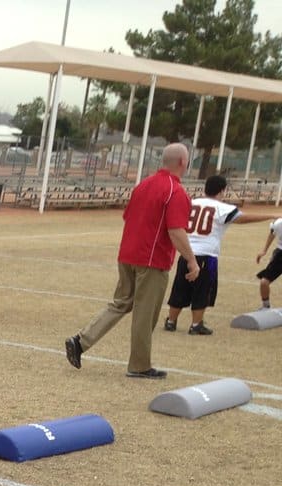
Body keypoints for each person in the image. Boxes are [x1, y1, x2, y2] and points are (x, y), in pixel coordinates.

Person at [66, 143, 198, 379]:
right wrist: (191, 260)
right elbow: (176, 230)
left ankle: (81, 341)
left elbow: (130, 217)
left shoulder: (143, 185)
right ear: (183, 163)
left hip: (128, 254)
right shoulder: (175, 192)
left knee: (121, 303)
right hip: (152, 259)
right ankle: (139, 365)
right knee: (145, 313)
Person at [164, 175, 273, 335]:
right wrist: (270, 216)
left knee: (180, 287)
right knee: (203, 290)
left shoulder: (192, 203)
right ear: (222, 190)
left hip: (187, 253)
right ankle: (196, 324)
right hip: (207, 255)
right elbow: (243, 218)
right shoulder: (222, 208)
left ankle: (171, 321)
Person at [256, 217, 282, 309]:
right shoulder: (278, 223)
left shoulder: (277, 223)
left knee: (264, 282)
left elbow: (272, 233)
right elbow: (272, 234)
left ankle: (265, 306)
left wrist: (264, 251)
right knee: (264, 281)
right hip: (279, 255)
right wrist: (264, 251)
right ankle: (266, 305)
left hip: (279, 254)